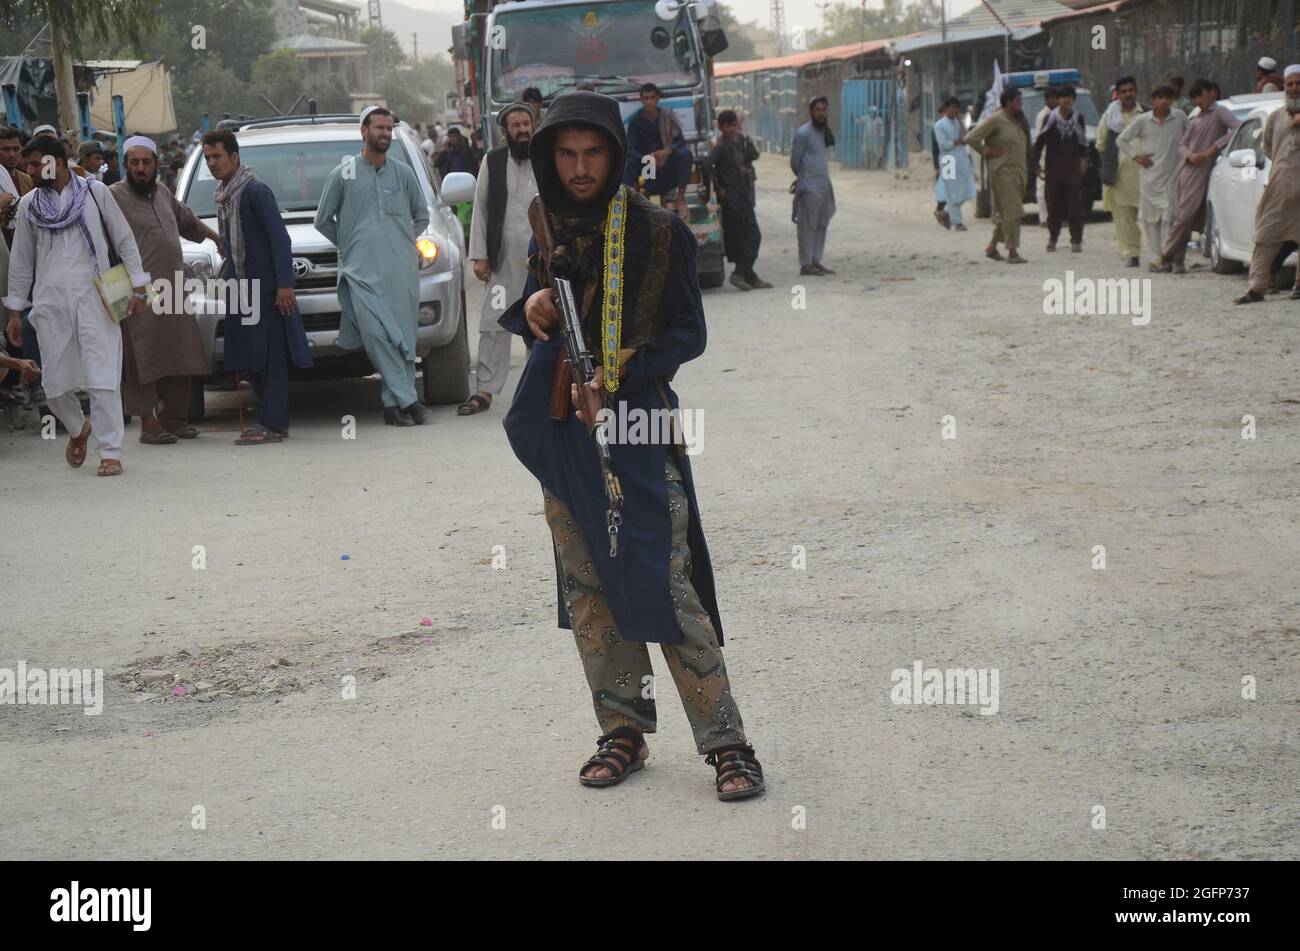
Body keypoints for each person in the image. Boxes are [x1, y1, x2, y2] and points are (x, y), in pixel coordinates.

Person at [498, 90, 764, 801]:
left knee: (664, 581)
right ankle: (622, 731)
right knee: (589, 587)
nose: (581, 169)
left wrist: (619, 372)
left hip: (637, 425)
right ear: (550, 159)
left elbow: (689, 335)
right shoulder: (546, 226)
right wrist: (529, 308)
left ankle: (727, 742)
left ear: (615, 156)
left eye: (593, 154)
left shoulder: (658, 231)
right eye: (567, 154)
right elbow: (529, 311)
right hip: (565, 435)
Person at [3, 136, 149, 476]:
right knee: (54, 385)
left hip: (96, 296)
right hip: (50, 301)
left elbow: (124, 240)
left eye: (36, 164)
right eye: (29, 165)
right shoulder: (28, 205)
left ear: (55, 161)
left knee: (102, 377)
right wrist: (14, 310)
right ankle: (77, 427)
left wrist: (140, 289)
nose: (30, 170)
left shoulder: (96, 193)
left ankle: (110, 452)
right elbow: (22, 260)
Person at [314, 107, 432, 426]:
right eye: (378, 127)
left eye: (389, 128)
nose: (385, 133)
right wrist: (351, 243)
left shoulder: (403, 174)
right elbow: (322, 220)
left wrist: (400, 240)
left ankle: (393, 407)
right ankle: (410, 400)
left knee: (404, 339)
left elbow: (422, 216)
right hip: (360, 273)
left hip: (401, 271)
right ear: (363, 131)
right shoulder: (344, 173)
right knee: (377, 335)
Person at [202, 128, 312, 444]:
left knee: (269, 358)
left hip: (265, 290)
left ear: (234, 157)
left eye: (217, 157)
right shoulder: (226, 194)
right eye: (208, 158)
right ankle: (267, 421)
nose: (212, 163)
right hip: (241, 289)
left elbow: (280, 239)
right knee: (250, 357)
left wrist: (284, 286)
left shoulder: (254, 192)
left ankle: (275, 425)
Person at [110, 135, 220, 443]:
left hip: (173, 289)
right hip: (136, 292)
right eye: (135, 163)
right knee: (143, 358)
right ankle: (148, 424)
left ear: (156, 165)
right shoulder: (112, 196)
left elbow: (189, 222)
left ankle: (174, 419)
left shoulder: (162, 193)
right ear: (125, 165)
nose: (141, 169)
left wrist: (216, 239)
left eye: (146, 163)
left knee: (181, 352)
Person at [463, 101, 538, 416]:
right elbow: (480, 209)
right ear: (505, 130)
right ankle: (485, 391)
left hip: (541, 261)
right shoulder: (492, 162)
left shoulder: (547, 158)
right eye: (516, 125)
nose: (522, 130)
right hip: (503, 260)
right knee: (494, 324)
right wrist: (479, 256)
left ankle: (543, 388)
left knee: (543, 323)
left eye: (526, 124)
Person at [1152, 79, 1239, 274]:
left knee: (1185, 216)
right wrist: (1190, 155)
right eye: (1195, 97)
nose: (1198, 100)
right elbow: (1182, 144)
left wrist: (1214, 147)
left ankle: (1165, 254)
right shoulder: (1198, 117)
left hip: (1203, 172)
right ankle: (1177, 261)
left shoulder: (1219, 112)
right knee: (1183, 216)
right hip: (1188, 170)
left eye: (1200, 95)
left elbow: (1237, 128)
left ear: (1211, 93)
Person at [1235, 65, 1300, 305]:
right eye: (1290, 84)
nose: (1294, 89)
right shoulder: (1275, 117)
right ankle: (1257, 288)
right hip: (1281, 186)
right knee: (1265, 234)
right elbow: (1269, 149)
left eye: (1298, 84)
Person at [1117, 84, 1189, 269]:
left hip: (1173, 178)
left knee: (1169, 217)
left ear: (1172, 100)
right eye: (1160, 97)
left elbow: (1190, 138)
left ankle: (1168, 255)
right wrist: (1136, 157)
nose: (1164, 101)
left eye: (1168, 97)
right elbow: (1121, 139)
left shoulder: (1179, 117)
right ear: (1154, 100)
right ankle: (1159, 256)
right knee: (1151, 220)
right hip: (1150, 179)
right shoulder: (1143, 120)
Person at [965, 88, 1030, 263]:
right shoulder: (996, 119)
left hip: (1018, 172)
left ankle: (992, 247)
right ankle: (1012, 251)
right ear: (1008, 102)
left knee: (1008, 212)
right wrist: (987, 151)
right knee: (1013, 210)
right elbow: (971, 138)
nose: (1020, 104)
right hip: (1002, 172)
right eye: (1017, 101)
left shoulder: (1017, 120)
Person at [708, 110, 770, 290]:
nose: (731, 129)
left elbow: (753, 156)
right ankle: (740, 272)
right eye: (727, 126)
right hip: (732, 198)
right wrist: (719, 189)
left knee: (750, 234)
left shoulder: (739, 142)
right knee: (747, 235)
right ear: (720, 128)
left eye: (733, 125)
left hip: (744, 195)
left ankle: (748, 274)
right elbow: (706, 166)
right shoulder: (720, 147)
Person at [1033, 85, 1089, 253]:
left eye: (1069, 97)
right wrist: (1036, 166)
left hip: (1072, 168)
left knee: (1075, 206)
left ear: (1073, 100)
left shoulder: (1078, 118)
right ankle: (1053, 238)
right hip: (1054, 169)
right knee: (1054, 206)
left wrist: (1084, 161)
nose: (1066, 100)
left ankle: (1076, 240)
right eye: (1063, 97)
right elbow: (1040, 142)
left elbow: (1083, 143)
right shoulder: (1050, 119)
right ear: (1058, 99)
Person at [623, 83, 692, 219]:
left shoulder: (667, 116)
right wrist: (648, 158)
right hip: (647, 164)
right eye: (646, 98)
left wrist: (667, 152)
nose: (649, 102)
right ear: (641, 100)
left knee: (685, 154)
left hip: (667, 160)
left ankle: (681, 198)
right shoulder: (636, 122)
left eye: (652, 98)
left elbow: (680, 141)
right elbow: (631, 149)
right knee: (628, 163)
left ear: (658, 98)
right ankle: (628, 204)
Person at [1098, 76, 1145, 265]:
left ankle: (1160, 251)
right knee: (1124, 217)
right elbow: (1101, 144)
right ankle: (1131, 253)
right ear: (1118, 94)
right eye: (1124, 91)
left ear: (1136, 91)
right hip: (1120, 175)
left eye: (1131, 90)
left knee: (1149, 216)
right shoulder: (1110, 117)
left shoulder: (1146, 114)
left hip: (1144, 173)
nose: (1128, 94)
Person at [791, 95, 837, 275]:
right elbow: (795, 162)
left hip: (824, 185)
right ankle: (806, 263)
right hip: (809, 187)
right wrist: (803, 178)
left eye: (823, 110)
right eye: (817, 110)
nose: (821, 113)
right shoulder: (803, 133)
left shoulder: (823, 131)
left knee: (822, 222)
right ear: (811, 112)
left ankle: (816, 259)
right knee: (807, 226)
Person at [933, 96, 976, 232]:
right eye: (952, 108)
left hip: (962, 159)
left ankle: (945, 212)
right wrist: (958, 141)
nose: (954, 111)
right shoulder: (939, 125)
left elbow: (966, 137)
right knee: (952, 192)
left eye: (956, 108)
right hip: (948, 161)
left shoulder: (959, 122)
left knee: (964, 190)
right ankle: (958, 222)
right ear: (946, 109)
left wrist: (961, 122)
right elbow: (944, 145)